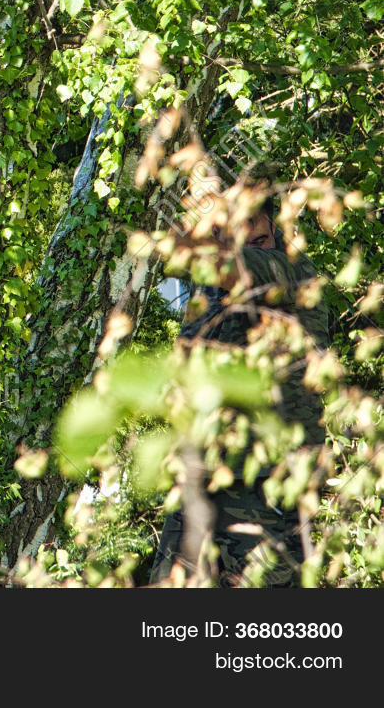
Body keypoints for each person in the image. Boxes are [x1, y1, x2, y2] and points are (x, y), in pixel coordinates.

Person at [148, 198, 331, 587]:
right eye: (238, 238)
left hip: (267, 490)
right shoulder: (211, 295)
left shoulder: (292, 272)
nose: (250, 248)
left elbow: (236, 268)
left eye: (260, 239)